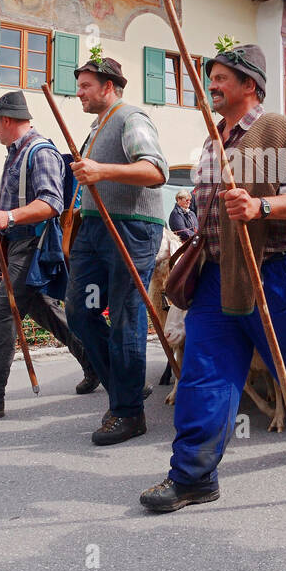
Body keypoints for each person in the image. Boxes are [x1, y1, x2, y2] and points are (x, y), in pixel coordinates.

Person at [139, 43, 286, 512]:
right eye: (210, 77)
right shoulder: (216, 140)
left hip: (268, 270)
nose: (211, 85)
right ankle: (193, 475)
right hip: (217, 272)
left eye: (221, 78)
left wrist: (260, 207)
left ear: (249, 85)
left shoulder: (267, 135)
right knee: (204, 369)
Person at [0, 90, 97, 426]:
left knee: (2, 316)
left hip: (32, 246)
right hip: (16, 246)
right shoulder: (15, 154)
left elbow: (51, 203)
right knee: (46, 312)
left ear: (5, 120)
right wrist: (3, 218)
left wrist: (9, 217)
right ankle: (100, 365)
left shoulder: (39, 152)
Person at [65, 55, 168, 443]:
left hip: (131, 228)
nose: (79, 93)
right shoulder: (96, 127)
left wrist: (101, 170)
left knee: (125, 315)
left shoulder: (131, 119)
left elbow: (155, 171)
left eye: (86, 86)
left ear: (109, 87)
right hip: (95, 228)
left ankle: (127, 413)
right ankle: (126, 385)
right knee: (80, 310)